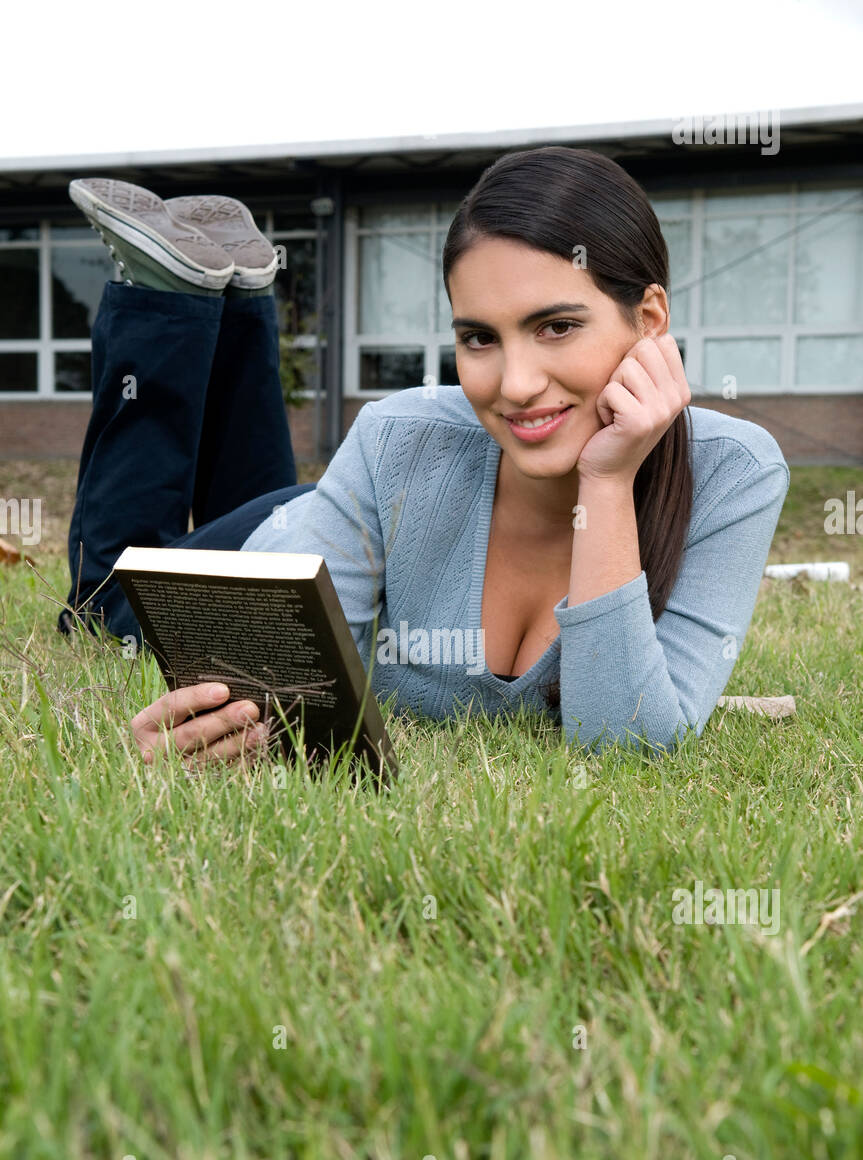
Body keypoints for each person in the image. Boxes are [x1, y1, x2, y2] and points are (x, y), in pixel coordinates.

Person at [59, 148, 789, 766]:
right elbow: (285, 692)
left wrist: (606, 479)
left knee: (270, 511)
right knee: (100, 602)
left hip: (336, 522)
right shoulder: (397, 437)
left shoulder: (735, 474)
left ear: (649, 320)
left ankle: (241, 298)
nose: (515, 384)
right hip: (294, 529)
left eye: (557, 326)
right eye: (478, 338)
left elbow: (623, 743)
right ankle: (168, 299)